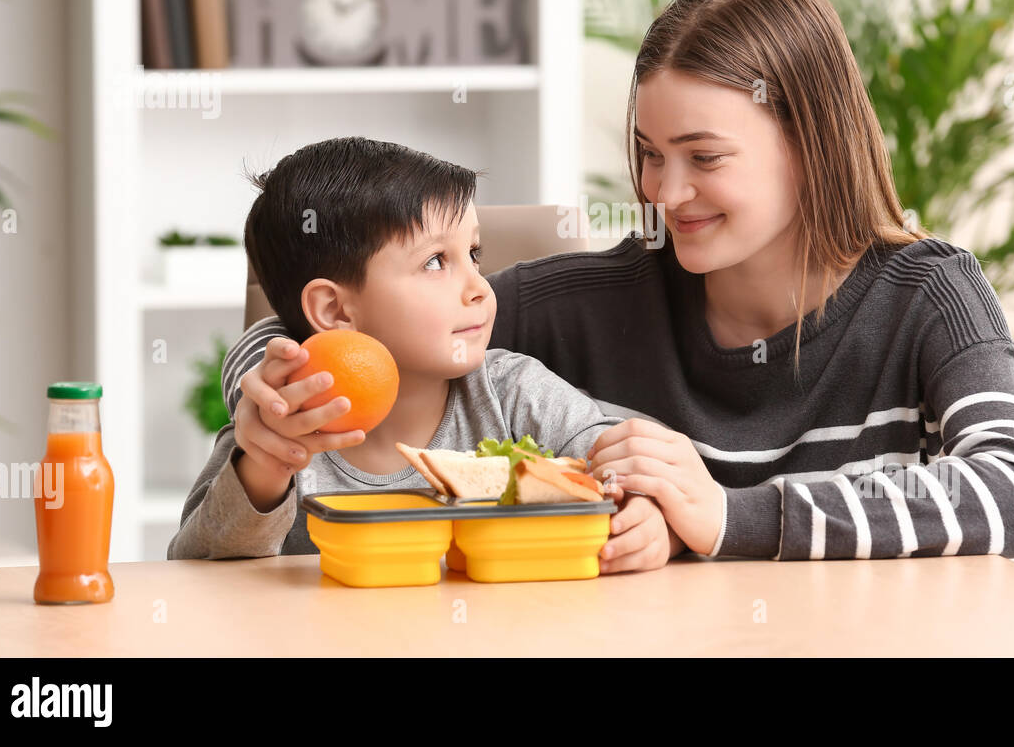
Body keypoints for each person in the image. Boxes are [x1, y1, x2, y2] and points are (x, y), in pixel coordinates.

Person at [223, 0, 1014, 562]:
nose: (667, 192)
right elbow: (330, 324)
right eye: (652, 155)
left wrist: (730, 516)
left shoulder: (928, 295)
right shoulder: (593, 300)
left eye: (705, 156)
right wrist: (270, 396)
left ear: (812, 144)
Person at [169, 137, 671, 571]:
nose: (479, 288)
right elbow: (197, 568)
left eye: (473, 255)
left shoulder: (512, 392)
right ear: (335, 309)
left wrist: (642, 511)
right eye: (435, 262)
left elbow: (616, 457)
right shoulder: (278, 428)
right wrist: (266, 469)